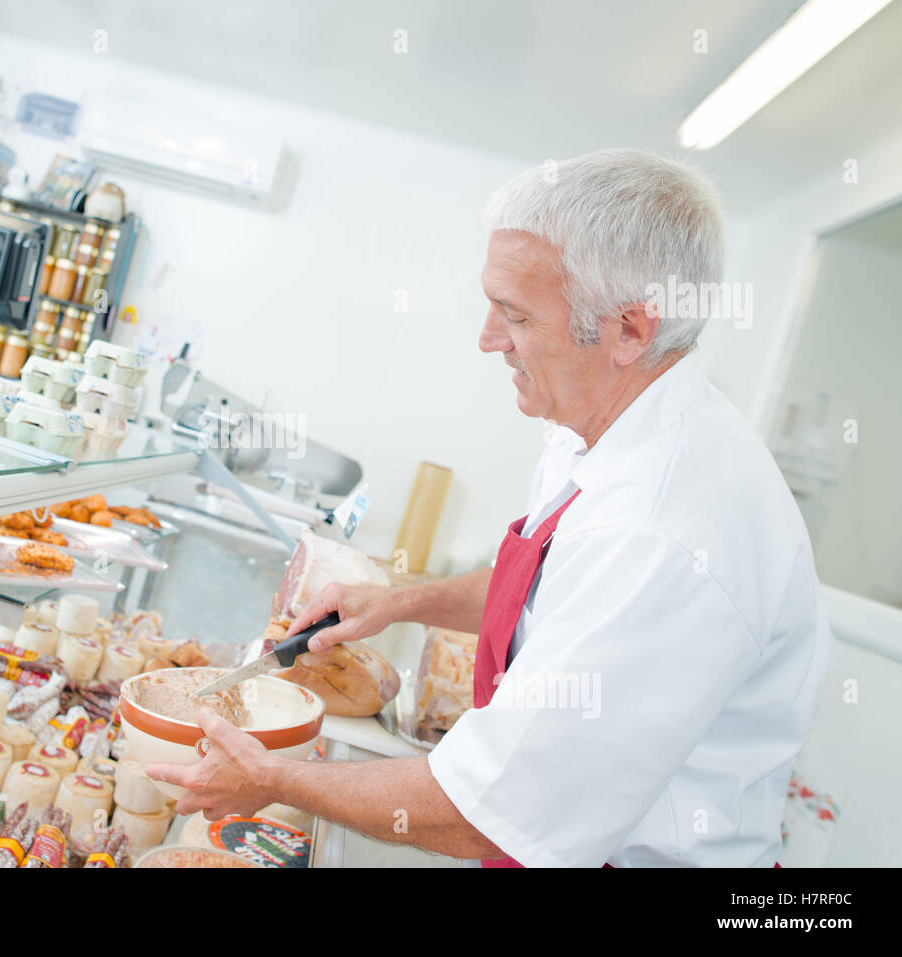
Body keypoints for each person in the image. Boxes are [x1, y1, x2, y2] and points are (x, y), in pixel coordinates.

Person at [147, 149, 832, 867]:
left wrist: (273, 778)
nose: (487, 337)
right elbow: (544, 587)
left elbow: (493, 812)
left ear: (630, 329)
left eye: (515, 315)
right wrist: (397, 602)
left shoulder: (667, 528)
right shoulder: (594, 432)